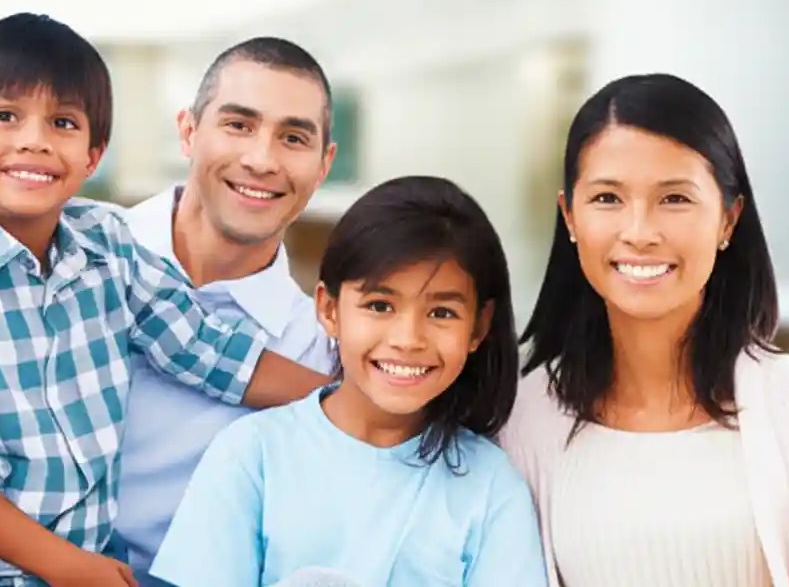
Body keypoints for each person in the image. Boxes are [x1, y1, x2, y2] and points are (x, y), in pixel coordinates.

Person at [0, 35, 340, 587]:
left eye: (293, 137)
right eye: (238, 124)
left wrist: (359, 397)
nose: (260, 158)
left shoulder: (315, 346)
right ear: (188, 132)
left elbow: (203, 349)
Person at [501, 73, 789, 586]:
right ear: (569, 217)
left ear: (729, 219)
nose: (638, 233)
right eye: (608, 199)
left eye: (674, 199)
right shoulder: (523, 422)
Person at [150, 176, 548, 587]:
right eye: (380, 305)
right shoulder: (253, 455)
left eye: (442, 313)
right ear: (329, 309)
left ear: (478, 328)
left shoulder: (491, 487)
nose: (408, 340)